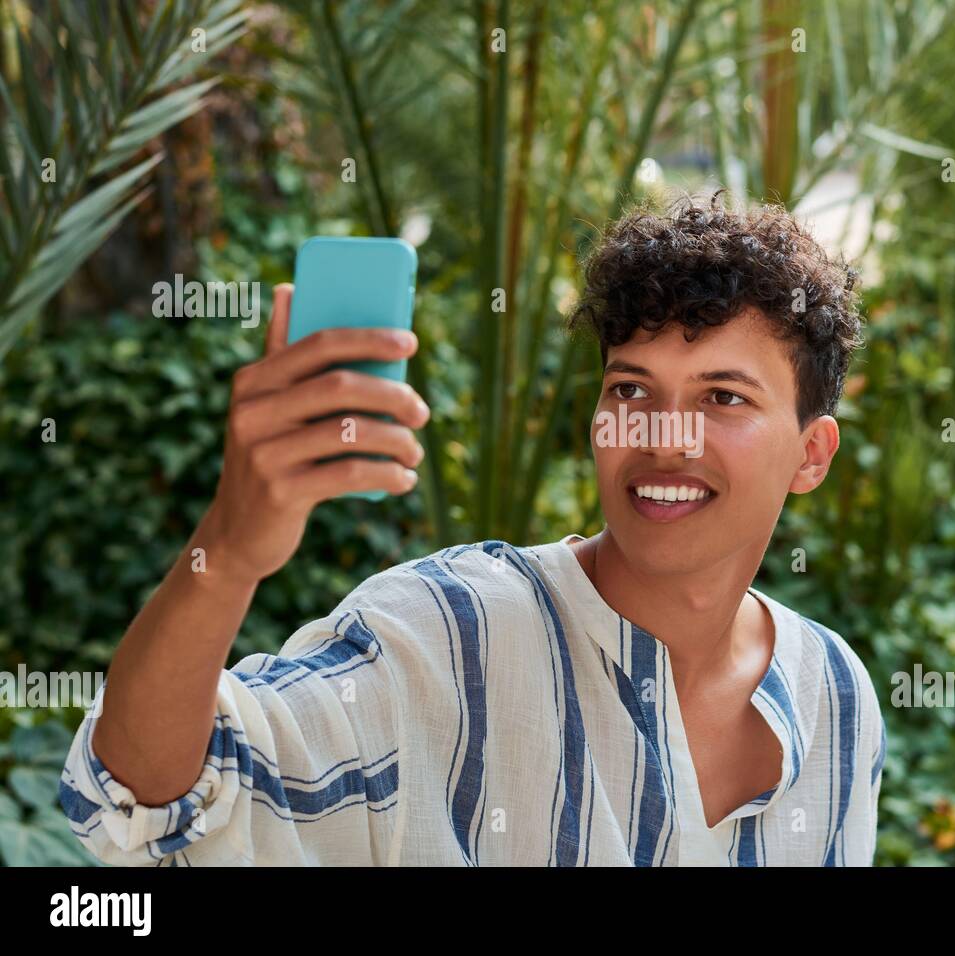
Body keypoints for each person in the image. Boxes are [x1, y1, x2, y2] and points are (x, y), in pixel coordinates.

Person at [59, 193, 887, 866]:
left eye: (723, 398)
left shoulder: (838, 699)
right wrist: (228, 551)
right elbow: (144, 799)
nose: (662, 438)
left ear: (812, 454)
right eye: (630, 390)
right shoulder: (449, 638)